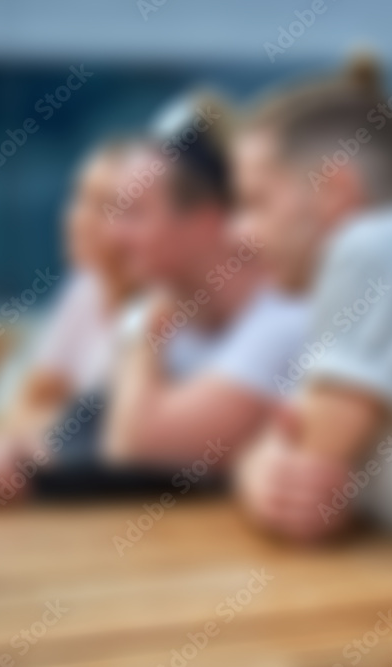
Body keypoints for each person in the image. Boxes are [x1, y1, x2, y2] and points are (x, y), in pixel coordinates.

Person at [232, 57, 392, 542]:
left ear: (333, 190)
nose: (240, 235)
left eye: (256, 201)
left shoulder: (370, 250)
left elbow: (304, 490)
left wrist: (259, 467)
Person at [102, 93, 309, 469]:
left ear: (207, 218)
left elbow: (135, 447)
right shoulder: (177, 314)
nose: (114, 235)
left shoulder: (285, 315)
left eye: (133, 214)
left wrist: (143, 330)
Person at [0, 140, 138, 500]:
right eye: (78, 197)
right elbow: (27, 404)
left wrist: (43, 427)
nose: (77, 217)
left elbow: (113, 440)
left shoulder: (161, 312)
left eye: (104, 206)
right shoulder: (85, 290)